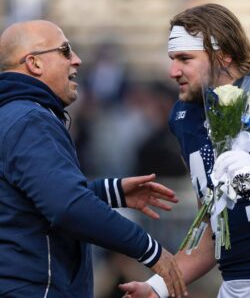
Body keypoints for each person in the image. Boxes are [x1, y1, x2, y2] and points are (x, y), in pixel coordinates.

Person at [119, 3, 250, 298]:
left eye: (184, 58)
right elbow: (218, 225)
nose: (172, 71)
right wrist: (156, 288)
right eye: (172, 59)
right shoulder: (186, 117)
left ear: (223, 55)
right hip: (234, 286)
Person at [0, 20, 188, 298]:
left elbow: (37, 198)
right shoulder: (30, 119)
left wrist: (108, 192)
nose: (77, 60)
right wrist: (150, 250)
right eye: (65, 51)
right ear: (34, 64)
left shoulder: (15, 114)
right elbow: (66, 206)